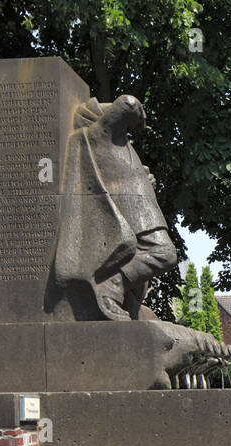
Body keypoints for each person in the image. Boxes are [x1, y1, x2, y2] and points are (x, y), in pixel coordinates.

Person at [54, 95, 177, 321]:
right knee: (164, 254)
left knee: (162, 254)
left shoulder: (119, 143)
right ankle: (110, 286)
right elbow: (128, 103)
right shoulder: (97, 136)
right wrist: (139, 112)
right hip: (133, 210)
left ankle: (119, 292)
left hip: (141, 210)